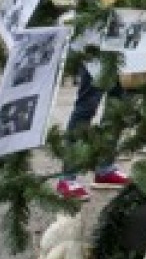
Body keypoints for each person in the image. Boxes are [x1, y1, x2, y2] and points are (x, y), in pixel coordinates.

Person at [55, 12, 132, 201]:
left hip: (124, 30)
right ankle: (67, 178)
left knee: (118, 104)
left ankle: (105, 169)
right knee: (87, 105)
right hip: (95, 37)